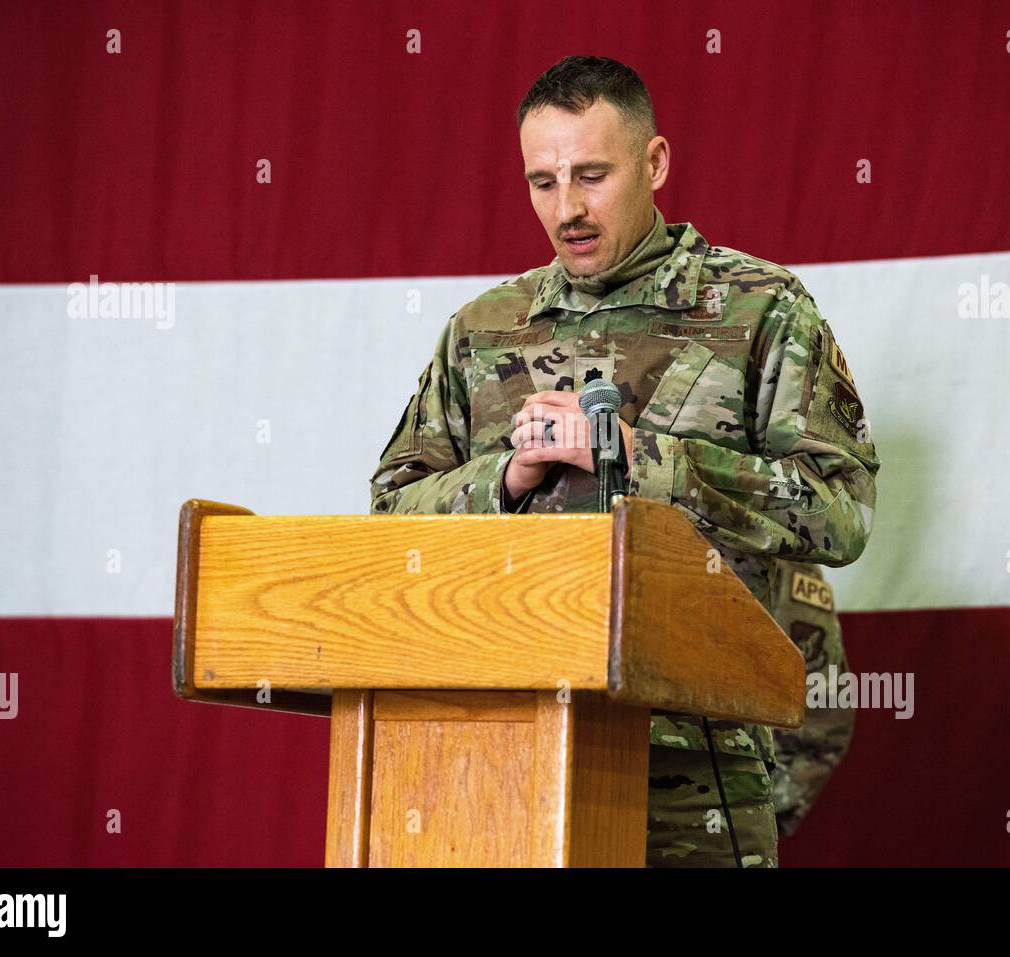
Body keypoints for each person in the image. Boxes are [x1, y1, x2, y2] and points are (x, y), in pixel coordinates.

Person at [369, 55, 879, 866]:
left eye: (592, 175)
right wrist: (503, 477)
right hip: (502, 763)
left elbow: (841, 514)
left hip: (698, 777)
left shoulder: (761, 309)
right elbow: (389, 516)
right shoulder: (482, 330)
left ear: (655, 162)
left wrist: (646, 459)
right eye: (542, 182)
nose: (567, 208)